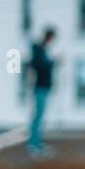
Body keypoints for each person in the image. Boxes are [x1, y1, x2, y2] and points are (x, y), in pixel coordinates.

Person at [27, 26, 56, 160]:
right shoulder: (38, 49)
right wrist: (51, 63)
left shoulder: (42, 49)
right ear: (48, 36)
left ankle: (37, 144)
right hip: (40, 87)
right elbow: (38, 66)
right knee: (37, 117)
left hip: (43, 87)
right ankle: (34, 145)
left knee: (39, 117)